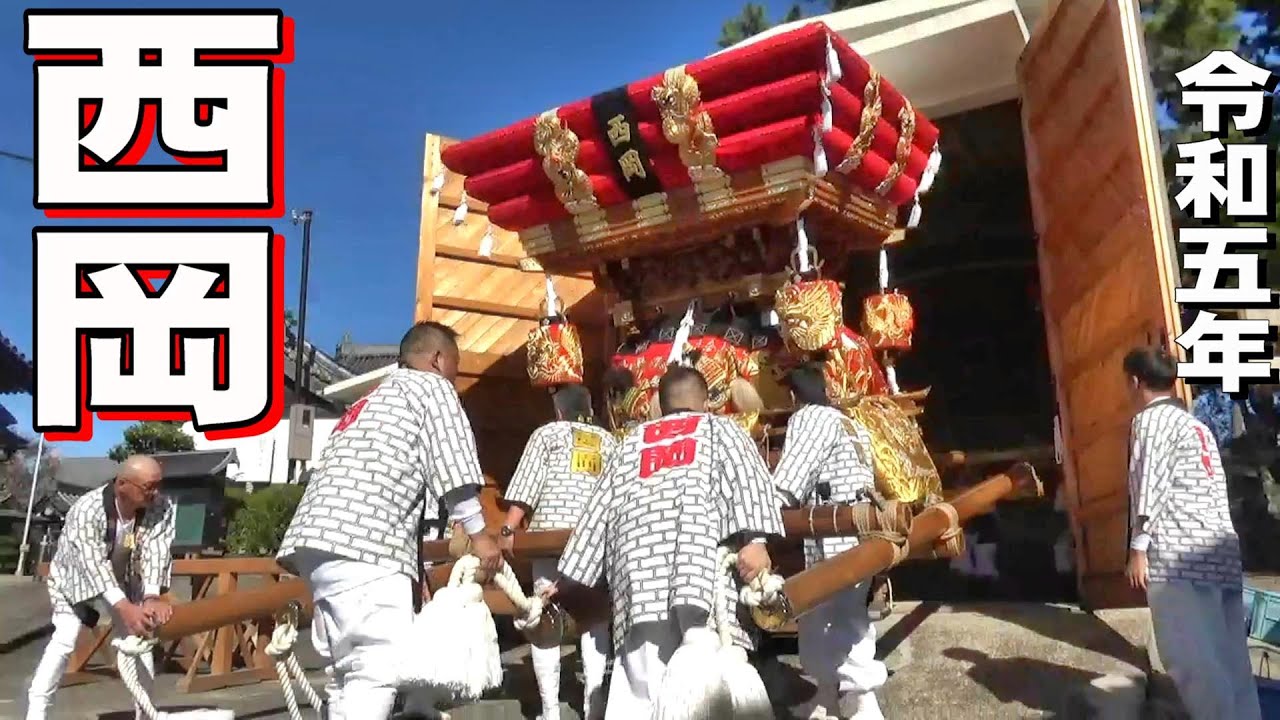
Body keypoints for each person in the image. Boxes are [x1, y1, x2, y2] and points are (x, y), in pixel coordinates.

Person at [276, 321, 503, 720]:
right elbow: (454, 466)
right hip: (367, 542)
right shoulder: (430, 388)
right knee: (378, 665)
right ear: (436, 359)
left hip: (316, 541)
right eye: (454, 365)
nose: (454, 376)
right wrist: (482, 537)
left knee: (346, 671)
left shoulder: (370, 399)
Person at [546, 365, 783, 719]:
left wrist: (569, 579)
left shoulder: (632, 444)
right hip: (702, 581)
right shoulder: (721, 431)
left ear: (660, 403)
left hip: (638, 586)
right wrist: (756, 542)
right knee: (706, 691)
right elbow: (751, 485)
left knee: (640, 693)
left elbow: (598, 513)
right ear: (705, 401)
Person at [1121, 346, 1260, 720]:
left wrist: (1138, 547)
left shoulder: (1149, 422)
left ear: (1135, 383)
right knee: (1230, 658)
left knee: (1190, 657)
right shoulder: (1196, 425)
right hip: (1219, 553)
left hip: (1179, 555)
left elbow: (1149, 483)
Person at [772, 361, 887, 720]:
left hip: (835, 531)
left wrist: (760, 516)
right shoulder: (850, 423)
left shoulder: (810, 419)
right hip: (854, 528)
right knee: (822, 615)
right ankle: (827, 696)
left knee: (840, 618)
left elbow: (790, 479)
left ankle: (863, 702)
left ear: (795, 394)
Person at [499, 383, 616, 720]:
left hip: (549, 536)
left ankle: (551, 711)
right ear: (589, 410)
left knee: (544, 620)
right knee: (595, 621)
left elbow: (527, 484)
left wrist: (508, 528)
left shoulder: (548, 434)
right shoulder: (609, 441)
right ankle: (594, 708)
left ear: (559, 411)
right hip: (595, 539)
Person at [27, 455, 175, 720]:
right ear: (122, 485)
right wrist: (122, 607)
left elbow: (157, 549)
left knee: (140, 637)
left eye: (158, 485)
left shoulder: (161, 506)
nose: (156, 493)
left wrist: (152, 595)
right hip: (73, 579)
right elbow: (91, 563)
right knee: (66, 637)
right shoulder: (87, 509)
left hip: (127, 578)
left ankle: (146, 713)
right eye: (148, 487)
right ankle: (36, 713)